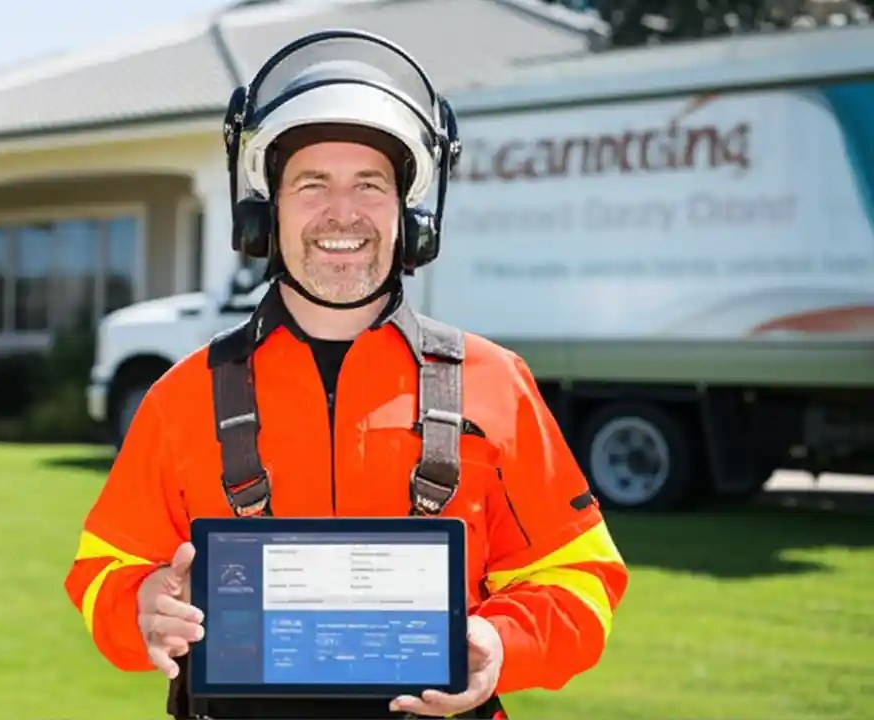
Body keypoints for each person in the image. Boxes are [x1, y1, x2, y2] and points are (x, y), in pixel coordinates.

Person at [64, 29, 629, 719]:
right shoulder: (182, 397)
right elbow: (102, 571)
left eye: (369, 184)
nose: (342, 212)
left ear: (410, 217)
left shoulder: (494, 381)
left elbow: (582, 578)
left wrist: (499, 640)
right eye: (312, 184)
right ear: (263, 214)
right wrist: (142, 605)